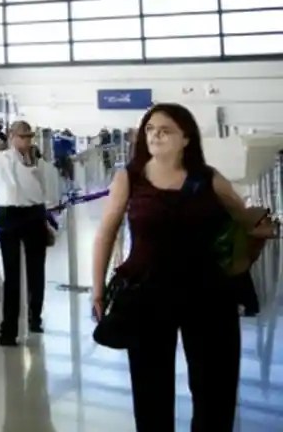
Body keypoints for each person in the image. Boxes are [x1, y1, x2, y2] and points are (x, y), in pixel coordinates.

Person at [91, 103, 277, 431]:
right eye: (150, 129)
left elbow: (245, 220)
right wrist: (97, 289)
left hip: (208, 294)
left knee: (214, 391)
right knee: (151, 393)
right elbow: (106, 232)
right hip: (147, 294)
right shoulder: (129, 178)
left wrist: (260, 226)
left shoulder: (209, 179)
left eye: (165, 130)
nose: (156, 135)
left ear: (185, 138)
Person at [0, 120, 57, 347]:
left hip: (34, 215)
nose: (26, 141)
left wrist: (49, 216)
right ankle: (9, 329)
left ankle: (35, 317)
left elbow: (46, 190)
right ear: (12, 137)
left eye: (29, 137)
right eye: (22, 137)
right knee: (12, 275)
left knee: (36, 270)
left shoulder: (39, 163)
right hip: (9, 216)